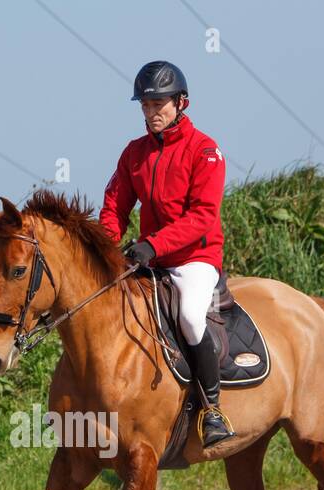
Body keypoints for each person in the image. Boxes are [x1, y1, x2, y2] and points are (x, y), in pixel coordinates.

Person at [99, 60, 234, 448]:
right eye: (145, 104)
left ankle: (212, 411)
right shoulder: (133, 153)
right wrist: (106, 245)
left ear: (181, 103)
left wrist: (154, 244)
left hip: (196, 258)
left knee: (191, 317)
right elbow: (114, 208)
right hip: (149, 259)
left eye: (159, 103)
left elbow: (202, 217)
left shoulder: (206, 151)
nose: (152, 111)